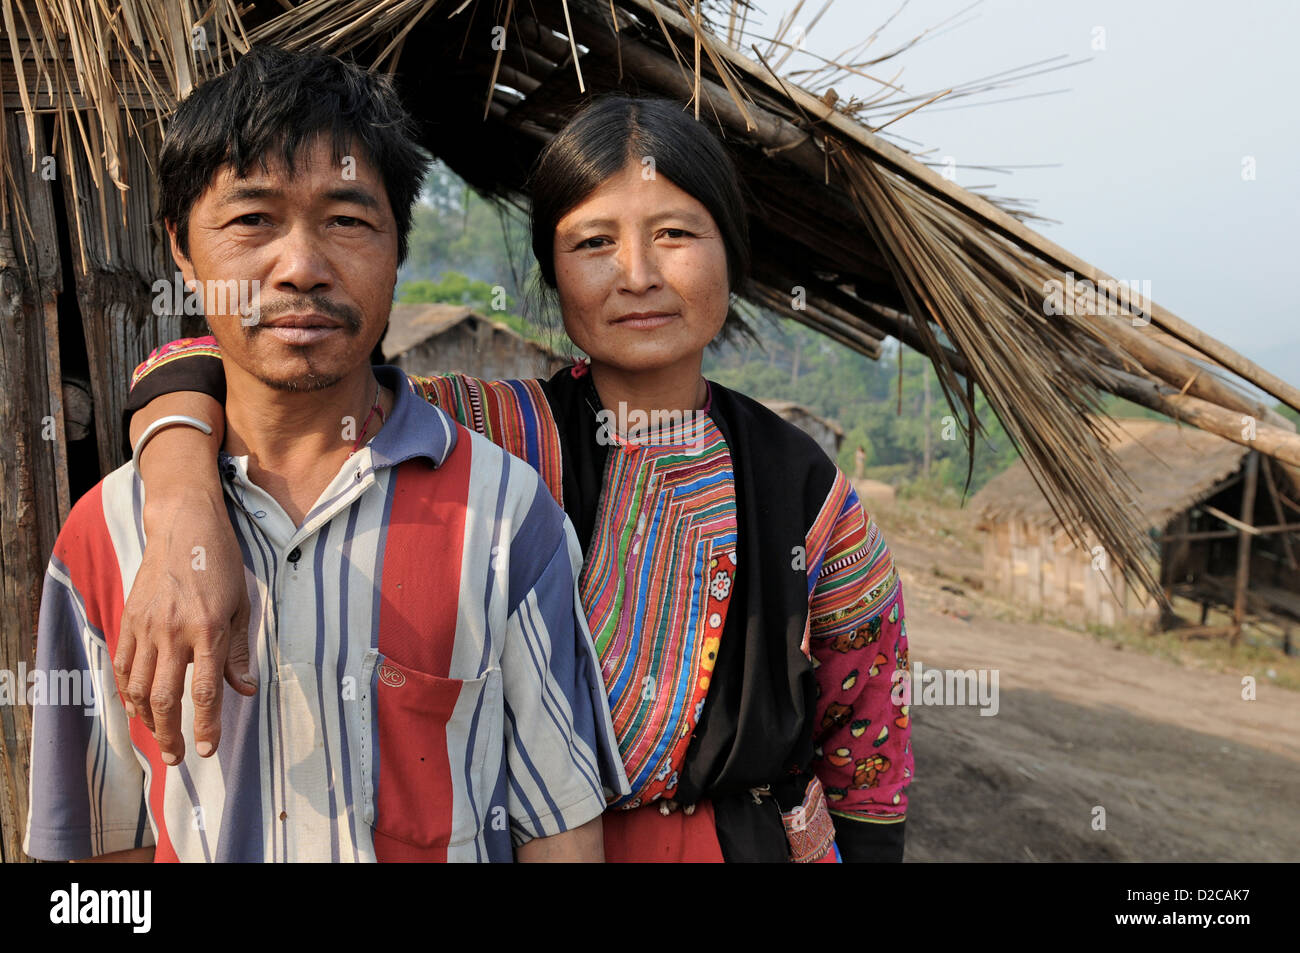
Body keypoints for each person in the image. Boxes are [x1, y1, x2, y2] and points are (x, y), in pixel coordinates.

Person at [120, 77, 913, 861]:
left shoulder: (808, 495)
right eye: (593, 242)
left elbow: (870, 756)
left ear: (731, 252)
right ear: (552, 270)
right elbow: (229, 365)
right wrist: (184, 505)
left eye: (675, 234)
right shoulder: (487, 429)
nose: (636, 274)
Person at [23, 44, 627, 863]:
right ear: (179, 244)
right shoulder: (106, 540)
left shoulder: (505, 515)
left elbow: (560, 835)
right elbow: (99, 849)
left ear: (399, 248)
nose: (301, 267)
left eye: (347, 220)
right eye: (252, 220)